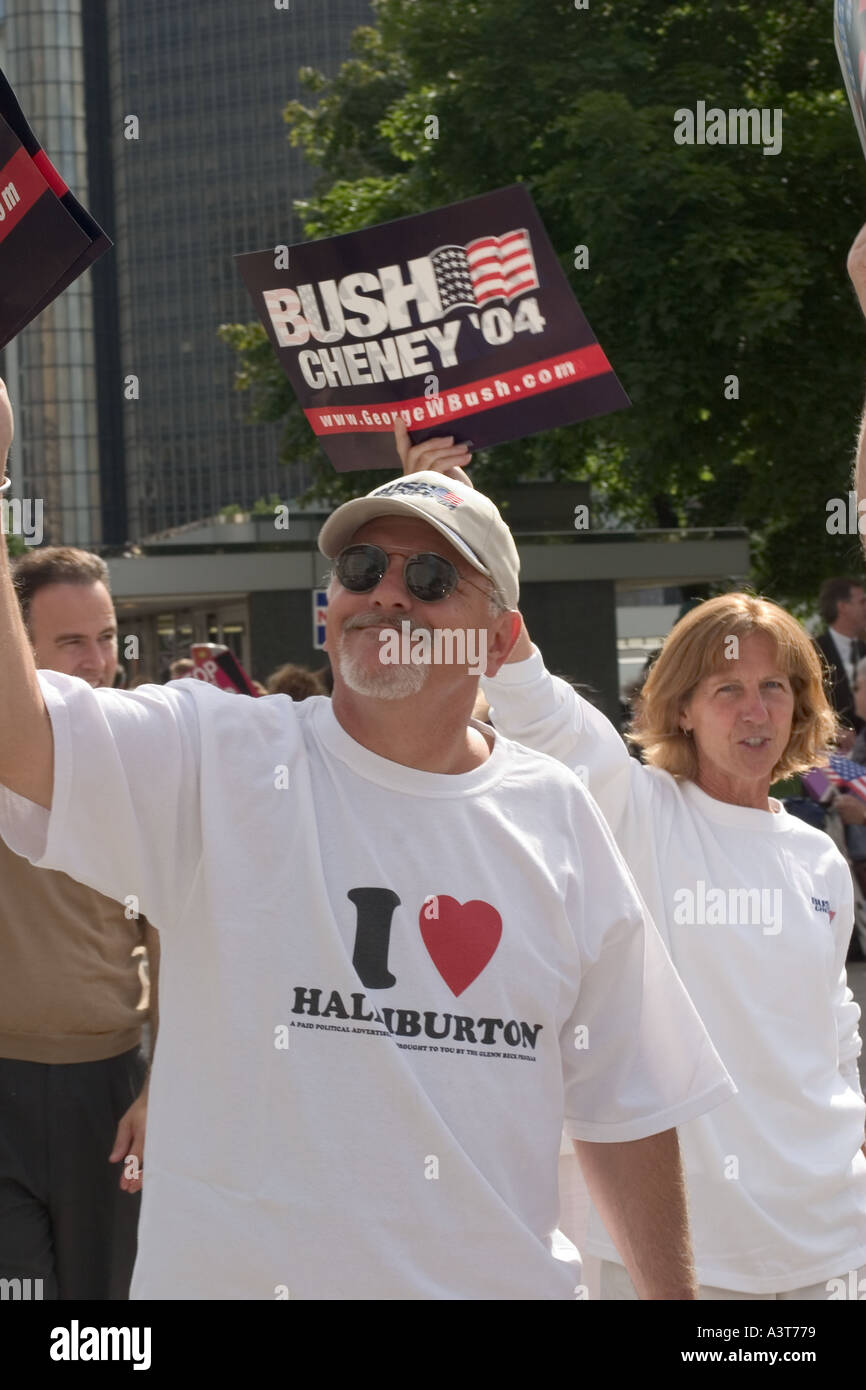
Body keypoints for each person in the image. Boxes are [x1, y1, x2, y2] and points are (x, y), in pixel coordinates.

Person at [0, 381, 734, 1300]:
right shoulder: (216, 754)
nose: (385, 594)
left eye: (429, 580)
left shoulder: (560, 817)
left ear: (498, 638)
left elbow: (627, 1111)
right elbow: (18, 738)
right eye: (360, 570)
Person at [401, 443, 866, 1300]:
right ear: (682, 705)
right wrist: (460, 526)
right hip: (682, 1259)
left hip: (828, 1244)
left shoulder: (817, 859)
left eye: (774, 688)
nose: (755, 710)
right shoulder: (630, 808)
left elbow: (833, 1031)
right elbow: (532, 695)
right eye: (727, 688)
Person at [0, 544, 159, 1300]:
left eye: (106, 638)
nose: (98, 661)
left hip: (113, 1096)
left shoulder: (153, 756)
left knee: (107, 1319)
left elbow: (180, 943)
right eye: (72, 642)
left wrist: (161, 1089)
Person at [813, 577, 866, 738]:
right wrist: (831, 731)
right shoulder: (811, 652)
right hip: (830, 755)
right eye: (862, 602)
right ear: (842, 607)